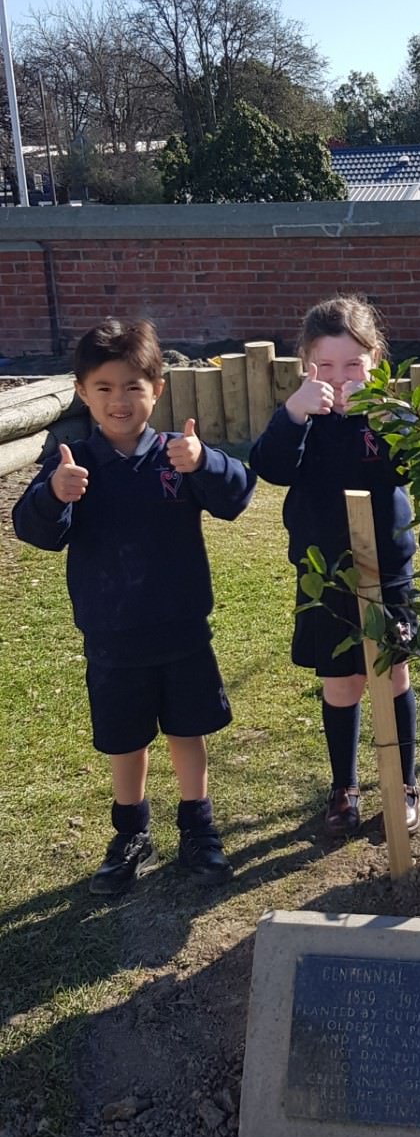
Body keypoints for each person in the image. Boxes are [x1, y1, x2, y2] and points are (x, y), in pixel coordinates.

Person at [13, 319, 256, 896]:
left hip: (182, 630)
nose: (119, 400)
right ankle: (131, 834)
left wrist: (207, 463)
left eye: (132, 387)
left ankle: (198, 827)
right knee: (125, 737)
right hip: (112, 635)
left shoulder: (179, 456)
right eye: (104, 388)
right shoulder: (73, 467)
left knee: (187, 727)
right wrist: (53, 494)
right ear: (81, 391)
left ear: (158, 389)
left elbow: (237, 496)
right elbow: (35, 529)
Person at [248, 295, 420, 840]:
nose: (339, 379)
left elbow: (414, 464)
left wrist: (395, 416)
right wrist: (293, 413)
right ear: (305, 367)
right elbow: (270, 468)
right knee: (341, 683)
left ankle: (405, 782)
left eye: (353, 366)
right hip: (325, 576)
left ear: (375, 365)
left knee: (393, 676)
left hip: (387, 570)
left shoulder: (387, 418)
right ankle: (344, 787)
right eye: (324, 367)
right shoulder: (302, 419)